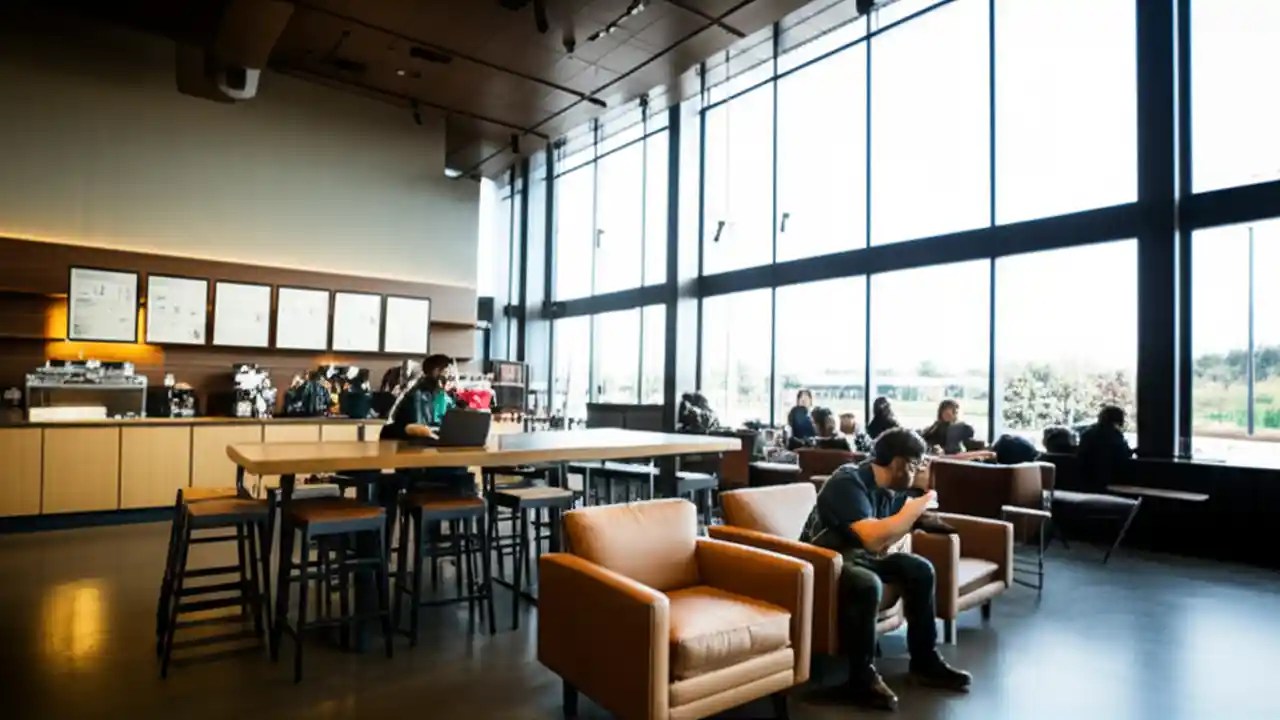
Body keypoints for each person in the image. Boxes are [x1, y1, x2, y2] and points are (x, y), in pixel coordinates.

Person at [803, 428, 972, 711]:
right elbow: (871, 536)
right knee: (867, 583)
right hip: (824, 559)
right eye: (915, 465)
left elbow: (889, 531)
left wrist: (922, 516)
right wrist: (913, 511)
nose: (919, 471)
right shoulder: (847, 481)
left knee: (920, 569)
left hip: (861, 556)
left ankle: (924, 661)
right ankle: (860, 678)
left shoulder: (891, 489)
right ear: (897, 464)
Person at [1077, 405, 1134, 492]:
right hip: (1108, 479)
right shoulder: (1114, 434)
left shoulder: (1087, 433)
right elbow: (1123, 455)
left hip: (1086, 478)